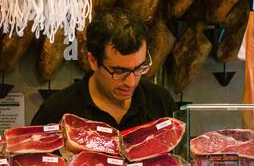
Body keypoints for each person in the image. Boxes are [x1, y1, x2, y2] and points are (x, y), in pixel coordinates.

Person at [31, 7, 176, 129]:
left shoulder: (161, 102)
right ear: (93, 61)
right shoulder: (57, 111)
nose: (131, 82)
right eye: (119, 71)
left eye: (139, 68)